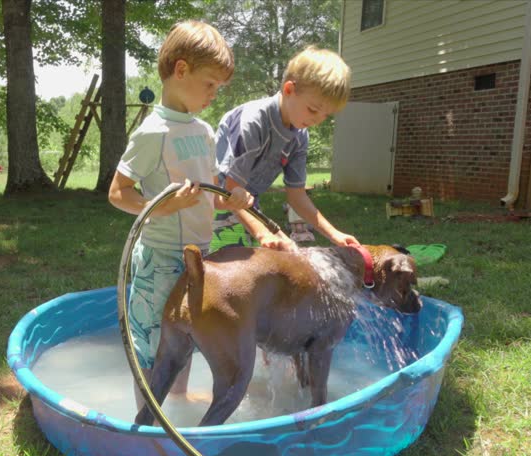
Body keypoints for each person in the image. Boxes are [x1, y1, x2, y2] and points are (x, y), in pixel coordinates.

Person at [108, 20, 253, 403]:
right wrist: (160, 207)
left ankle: (179, 398)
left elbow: (210, 194)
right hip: (161, 258)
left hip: (198, 257)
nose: (213, 96)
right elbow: (117, 193)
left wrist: (232, 200)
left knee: (187, 331)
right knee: (154, 342)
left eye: (218, 89)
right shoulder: (153, 132)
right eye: (210, 85)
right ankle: (148, 417)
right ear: (181, 69)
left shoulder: (203, 132)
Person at [211, 46, 360, 252]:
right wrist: (265, 233)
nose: (317, 120)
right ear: (289, 90)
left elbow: (296, 196)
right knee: (221, 275)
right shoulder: (252, 122)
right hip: (214, 209)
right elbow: (228, 192)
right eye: (313, 110)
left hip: (248, 208)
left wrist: (335, 235)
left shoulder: (299, 136)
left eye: (326, 115)